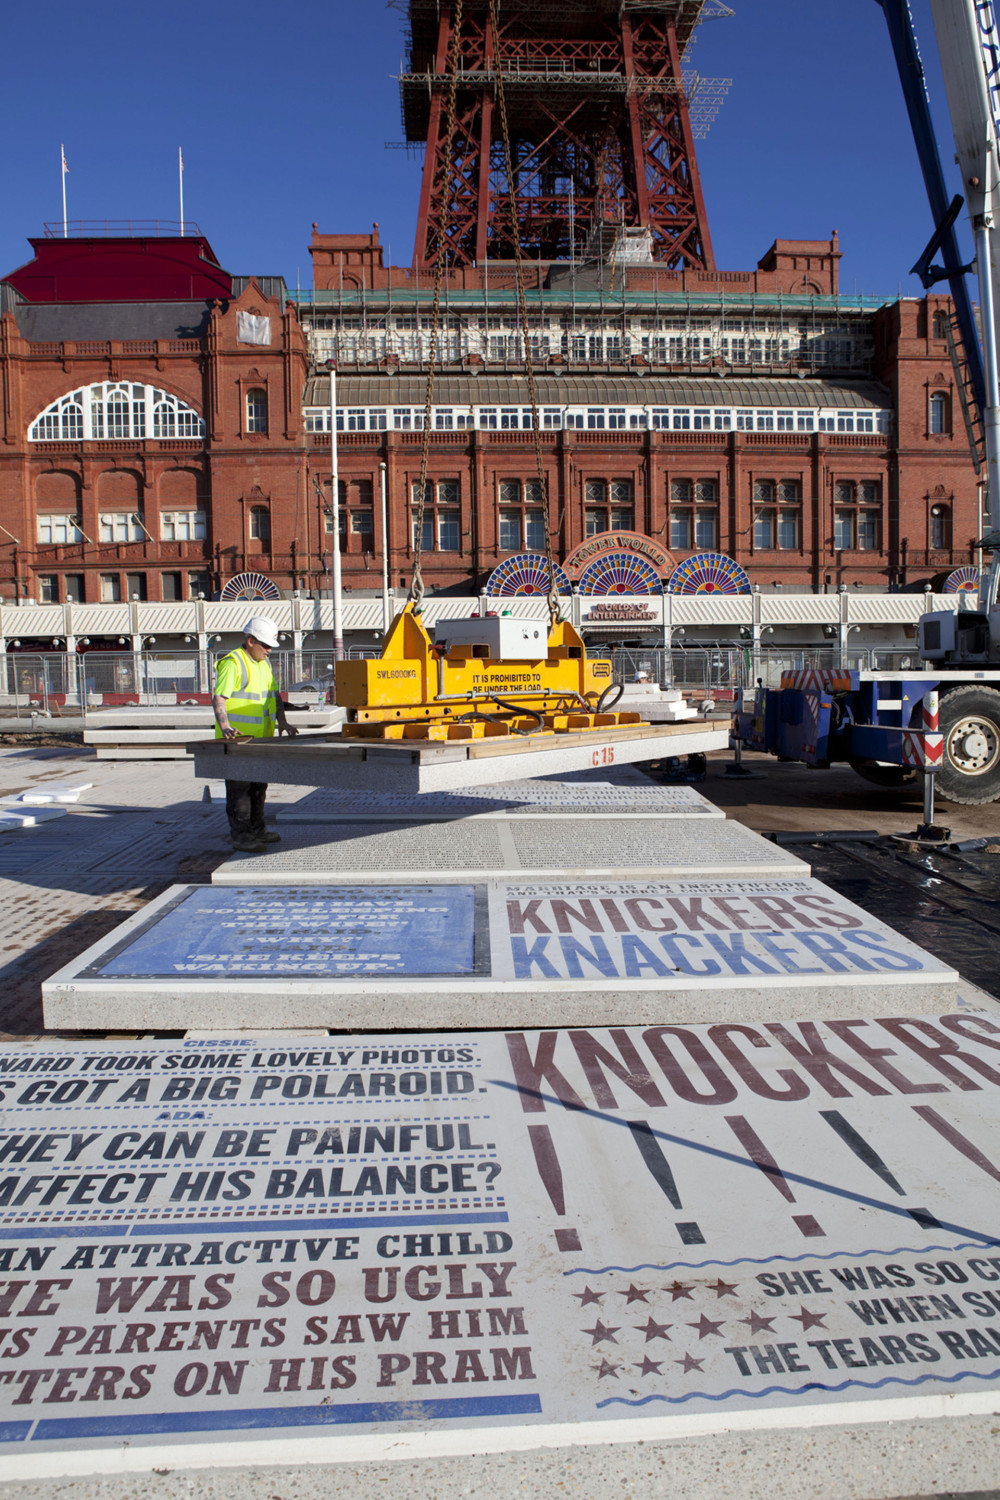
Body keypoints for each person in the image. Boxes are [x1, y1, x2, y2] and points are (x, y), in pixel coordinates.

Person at [213, 616, 298, 852]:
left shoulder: (263, 664)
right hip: (238, 742)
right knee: (239, 791)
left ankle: (258, 830)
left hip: (261, 740)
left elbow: (274, 695)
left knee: (259, 788)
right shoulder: (233, 663)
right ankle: (242, 836)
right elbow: (219, 697)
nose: (269, 650)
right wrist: (226, 727)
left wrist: (283, 721)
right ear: (251, 641)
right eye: (266, 645)